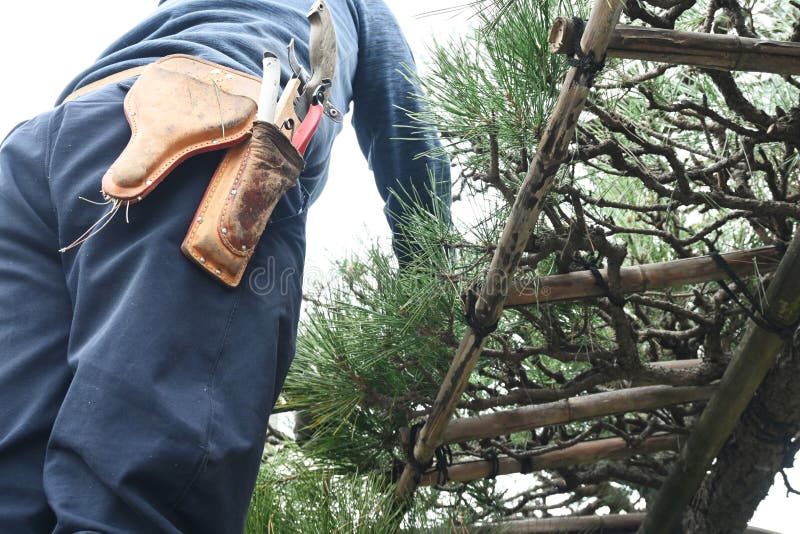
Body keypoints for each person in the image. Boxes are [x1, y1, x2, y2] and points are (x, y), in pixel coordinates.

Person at [0, 0, 450, 532]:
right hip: (205, 134)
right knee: (149, 487)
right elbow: (410, 143)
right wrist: (434, 312)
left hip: (44, 154)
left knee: (13, 488)